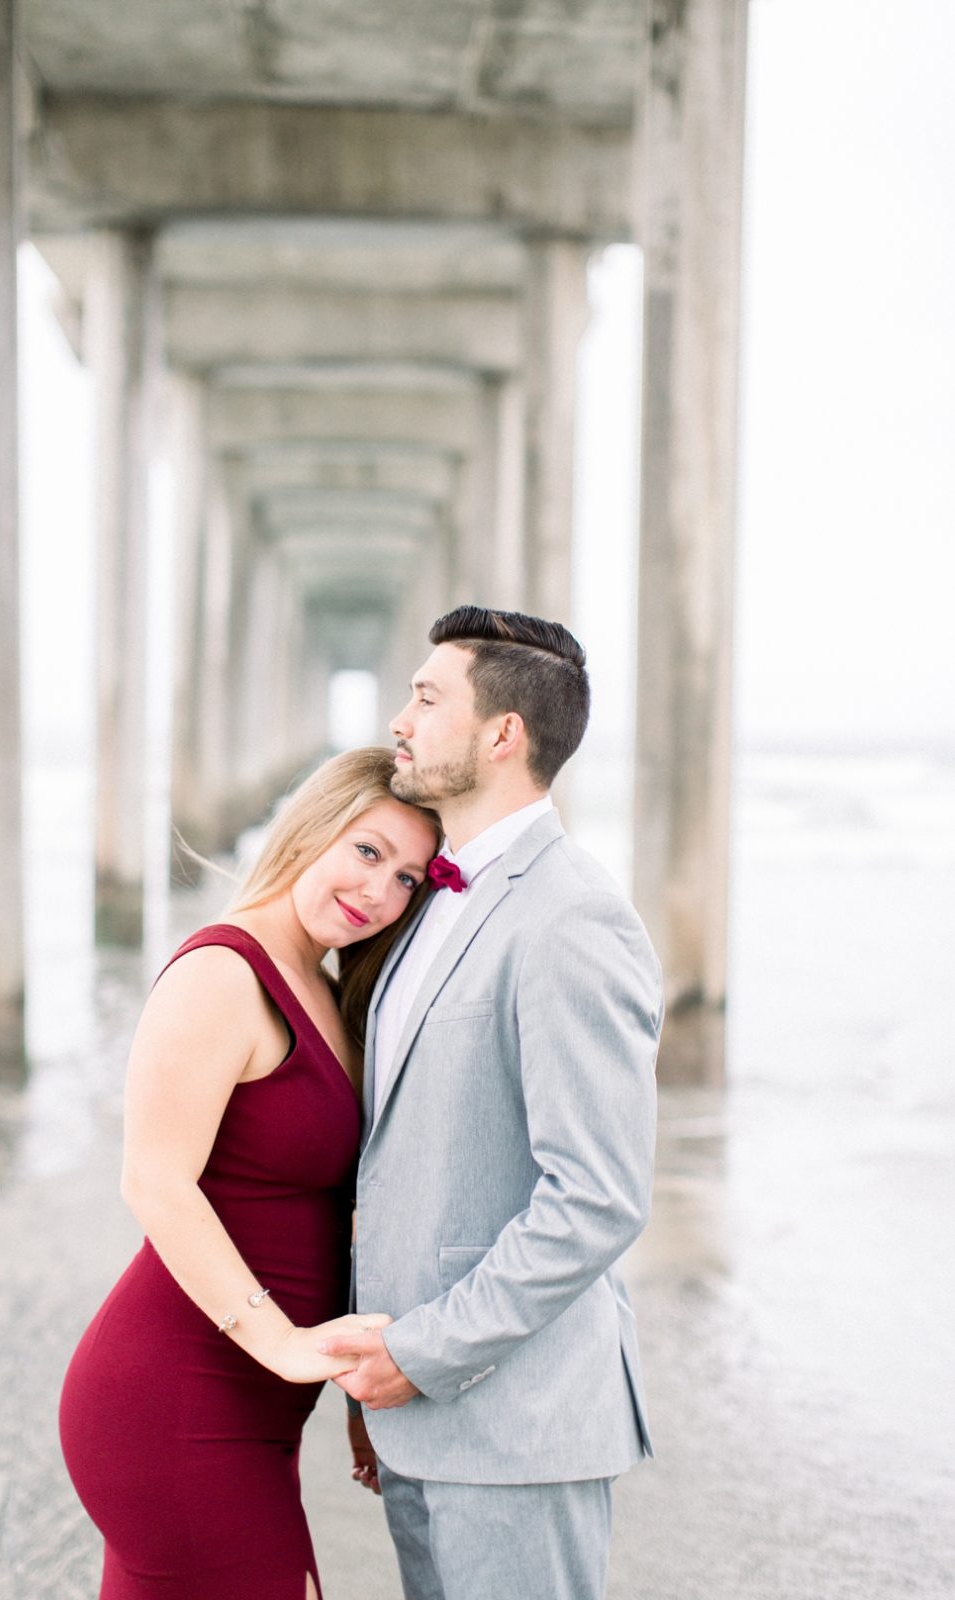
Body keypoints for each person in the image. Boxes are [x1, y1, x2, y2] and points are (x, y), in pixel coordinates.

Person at [320, 607, 664, 1600]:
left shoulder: (571, 917)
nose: (400, 719)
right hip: (416, 1416)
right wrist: (380, 1373)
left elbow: (596, 1198)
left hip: (516, 1429)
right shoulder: (433, 897)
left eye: (426, 699)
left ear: (500, 735)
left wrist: (417, 1355)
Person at [59, 747, 439, 1600]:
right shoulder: (221, 973)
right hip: (173, 1402)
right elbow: (154, 1180)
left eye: (409, 878)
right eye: (367, 851)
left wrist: (346, 1387)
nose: (380, 892)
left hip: (254, 1414)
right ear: (312, 825)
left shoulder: (325, 984)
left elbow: (345, 1212)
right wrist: (286, 1346)